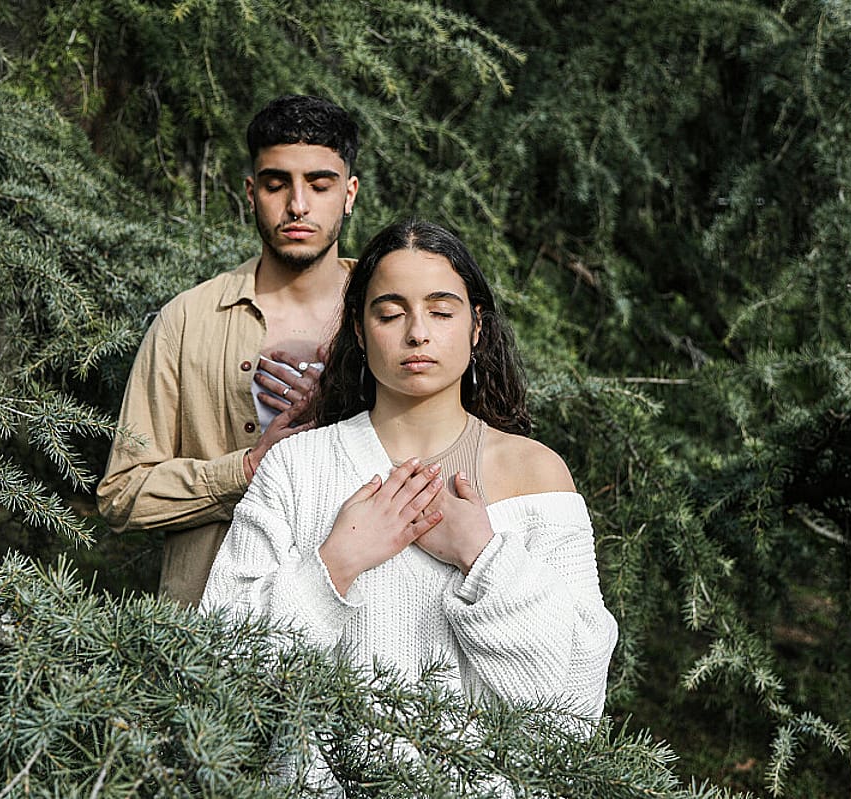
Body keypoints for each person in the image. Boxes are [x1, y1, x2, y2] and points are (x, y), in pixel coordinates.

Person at [202, 219, 618, 732]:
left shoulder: (536, 473)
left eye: (441, 311)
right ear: (358, 329)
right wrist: (336, 563)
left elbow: (577, 705)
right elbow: (219, 663)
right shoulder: (297, 466)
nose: (417, 331)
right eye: (391, 313)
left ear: (477, 326)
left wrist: (484, 558)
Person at [97, 95, 360, 606]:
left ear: (349, 193)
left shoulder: (388, 317)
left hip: (357, 637)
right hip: (212, 637)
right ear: (250, 191)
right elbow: (123, 494)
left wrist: (346, 408)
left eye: (320, 185)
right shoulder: (188, 320)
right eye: (276, 183)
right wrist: (244, 471)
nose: (298, 205)